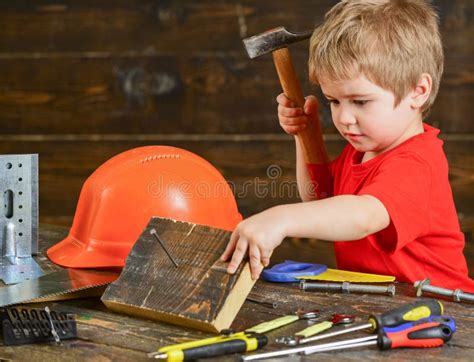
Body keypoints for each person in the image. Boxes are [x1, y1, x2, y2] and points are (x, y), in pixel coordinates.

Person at [221, 0, 474, 291]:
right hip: (382, 305)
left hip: (440, 311)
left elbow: (363, 216)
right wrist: (306, 136)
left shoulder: (418, 162)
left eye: (360, 101)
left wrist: (281, 217)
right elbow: (319, 199)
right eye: (334, 101)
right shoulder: (362, 151)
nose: (343, 117)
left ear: (418, 91)